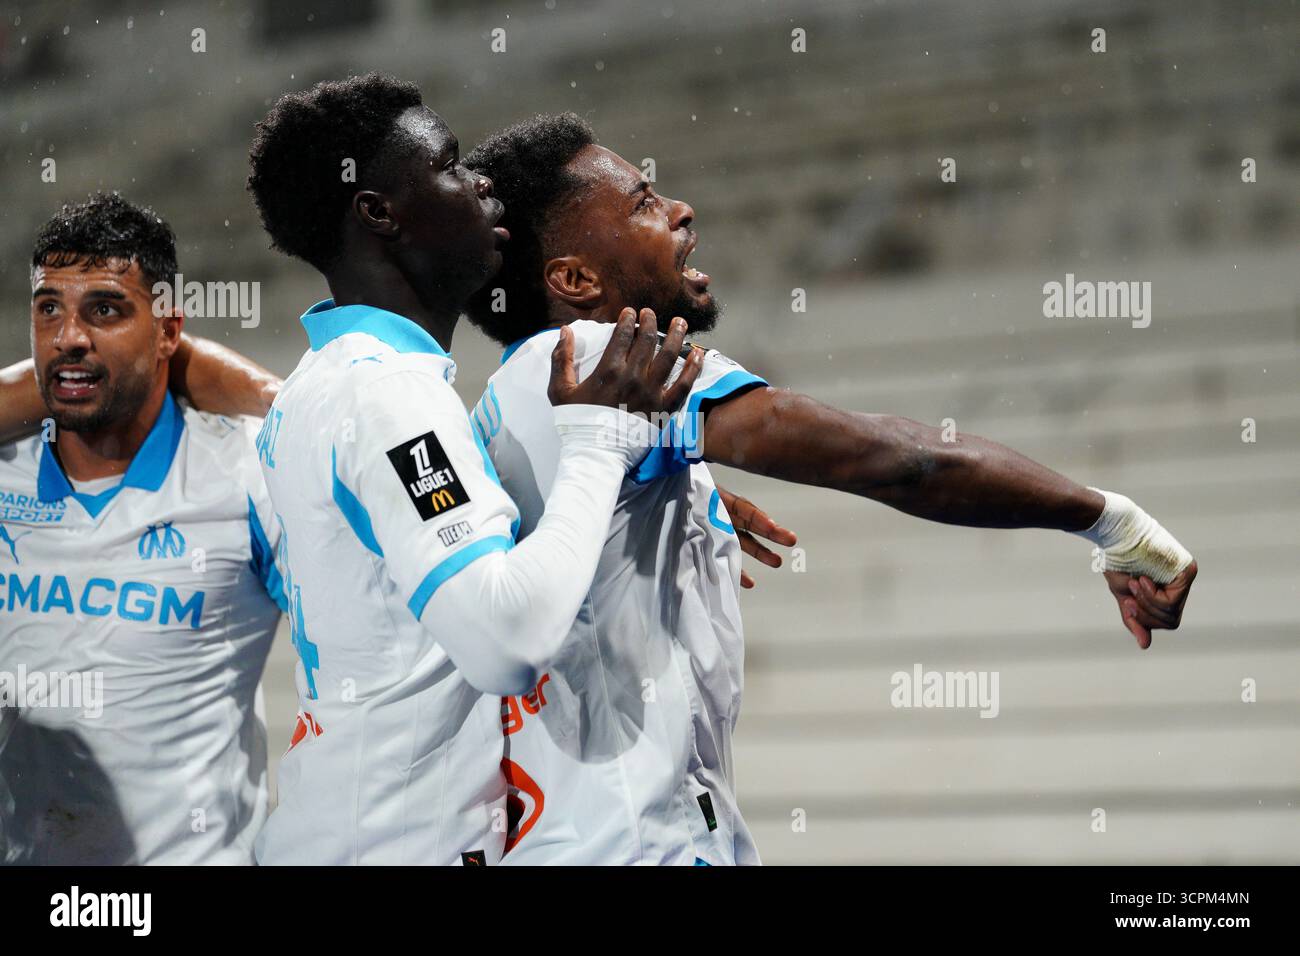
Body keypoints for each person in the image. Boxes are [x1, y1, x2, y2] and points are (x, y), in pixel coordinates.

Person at [460, 113, 1199, 864]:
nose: (680, 211)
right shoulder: (604, 357)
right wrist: (1113, 522)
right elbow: (903, 461)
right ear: (575, 279)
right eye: (642, 202)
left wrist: (691, 499)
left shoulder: (509, 400)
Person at [243, 74, 704, 865]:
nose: (480, 181)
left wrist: (673, 496)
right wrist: (600, 442)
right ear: (379, 212)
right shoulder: (389, 395)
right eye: (452, 165)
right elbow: (506, 642)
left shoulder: (313, 391)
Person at [0, 192, 285, 864]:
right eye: (49, 309)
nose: (70, 335)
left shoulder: (249, 475)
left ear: (167, 331)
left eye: (105, 309)